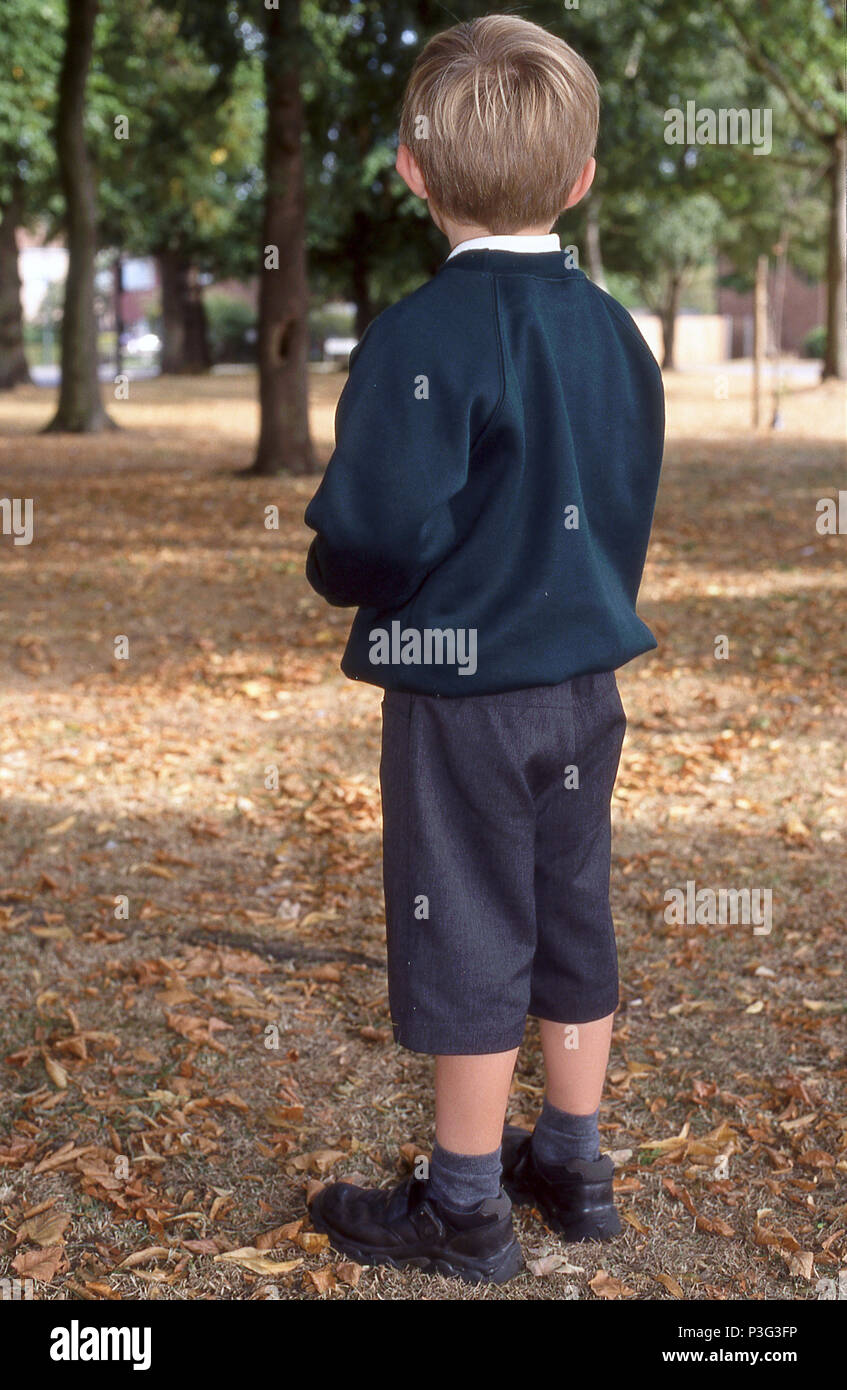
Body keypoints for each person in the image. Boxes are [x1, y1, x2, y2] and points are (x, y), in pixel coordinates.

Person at [303, 13, 664, 1284]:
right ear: (580, 178)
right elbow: (619, 497)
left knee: (464, 923)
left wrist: (337, 568)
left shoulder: (420, 335)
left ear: (412, 173)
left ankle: (464, 1203)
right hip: (583, 684)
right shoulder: (616, 330)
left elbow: (375, 524)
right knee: (571, 914)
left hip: (465, 697)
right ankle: (574, 1157)